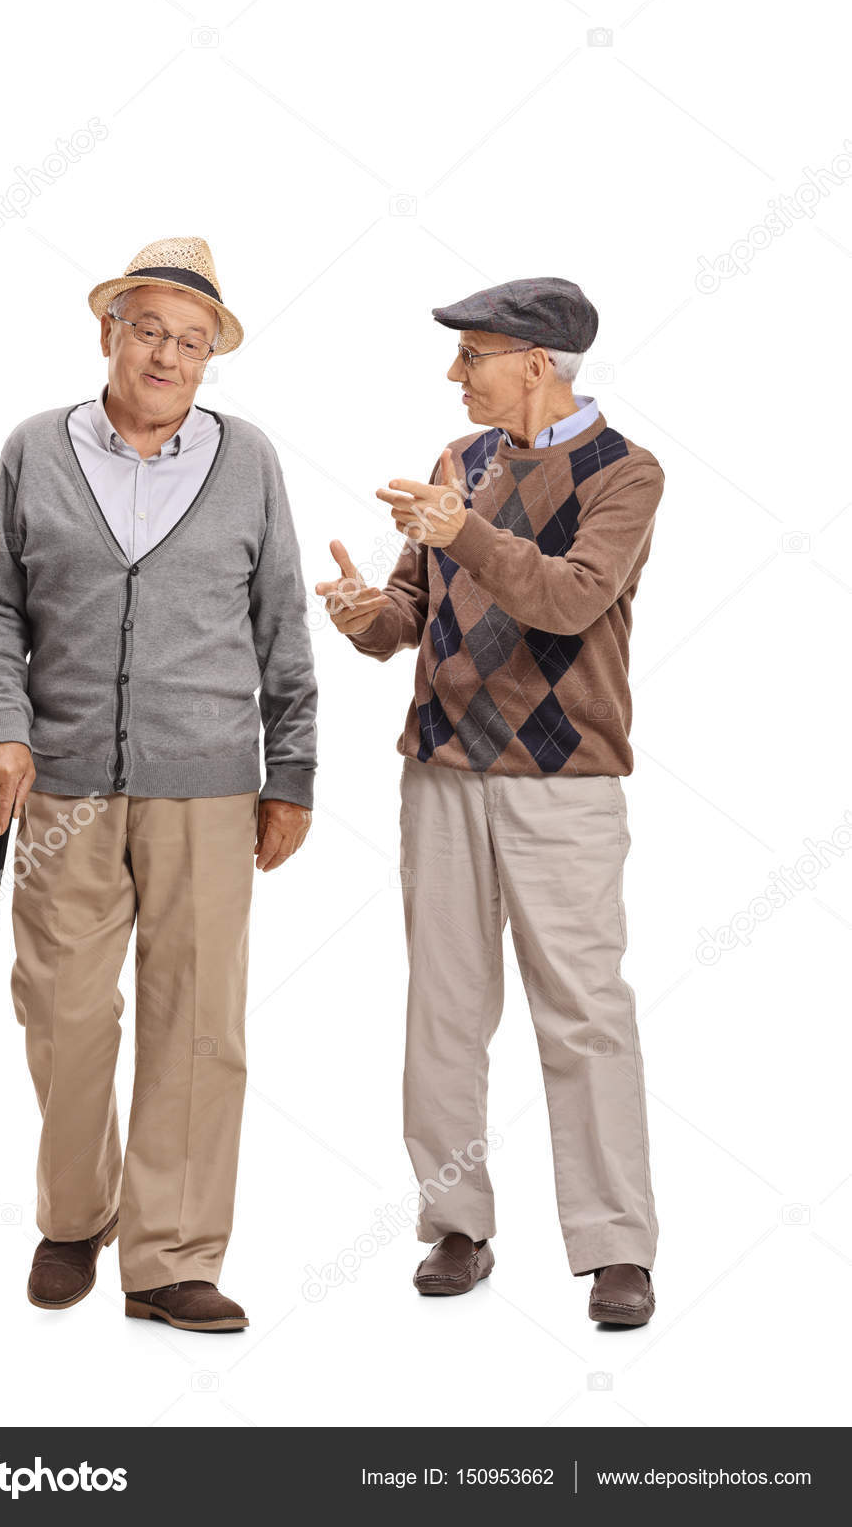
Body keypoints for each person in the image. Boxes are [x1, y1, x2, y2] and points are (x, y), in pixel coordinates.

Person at [0, 235, 317, 1332]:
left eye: (191, 340)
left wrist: (291, 770)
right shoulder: (34, 447)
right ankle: (76, 1216)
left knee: (198, 1021)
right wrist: (1, 728)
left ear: (211, 358)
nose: (167, 354)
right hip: (62, 784)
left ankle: (168, 1256)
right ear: (107, 330)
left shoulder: (247, 457)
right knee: (63, 1014)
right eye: (149, 329)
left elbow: (281, 625)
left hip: (208, 785)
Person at [317, 276, 663, 1326]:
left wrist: (459, 530)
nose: (452, 373)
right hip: (440, 771)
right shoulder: (454, 466)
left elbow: (565, 600)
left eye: (469, 355)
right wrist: (361, 611)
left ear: (534, 362)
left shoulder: (622, 473)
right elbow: (412, 614)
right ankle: (454, 1224)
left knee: (584, 1015)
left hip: (561, 782)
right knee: (444, 1009)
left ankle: (613, 1246)